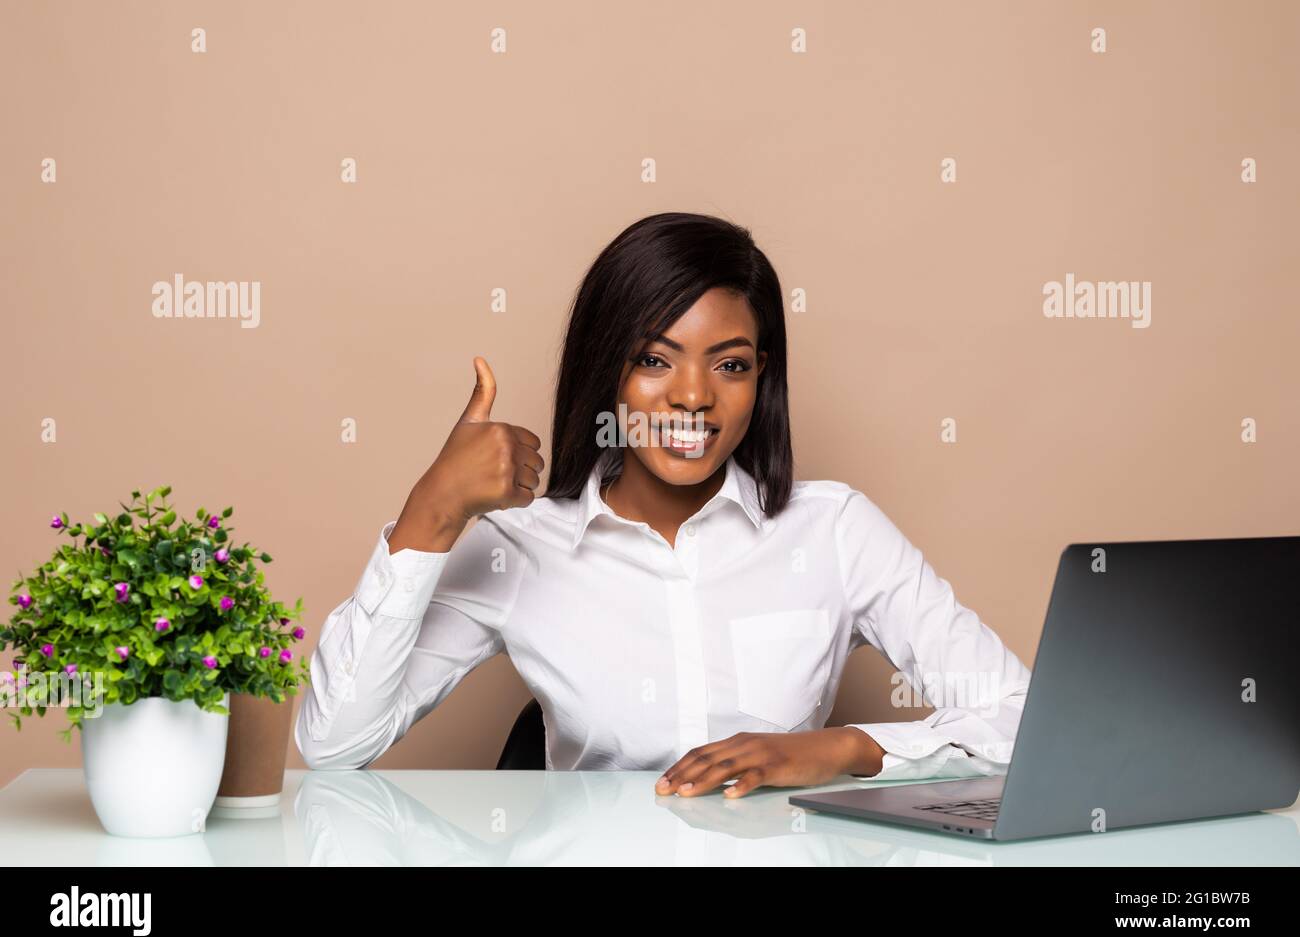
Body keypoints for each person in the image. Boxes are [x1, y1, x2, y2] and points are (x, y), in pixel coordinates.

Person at [295, 211, 1032, 798]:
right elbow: (332, 745)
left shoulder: (835, 530)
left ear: (761, 377)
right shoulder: (520, 547)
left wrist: (841, 749)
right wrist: (432, 512)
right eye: (654, 359)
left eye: (730, 364)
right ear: (606, 368)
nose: (693, 396)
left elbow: (1024, 719)